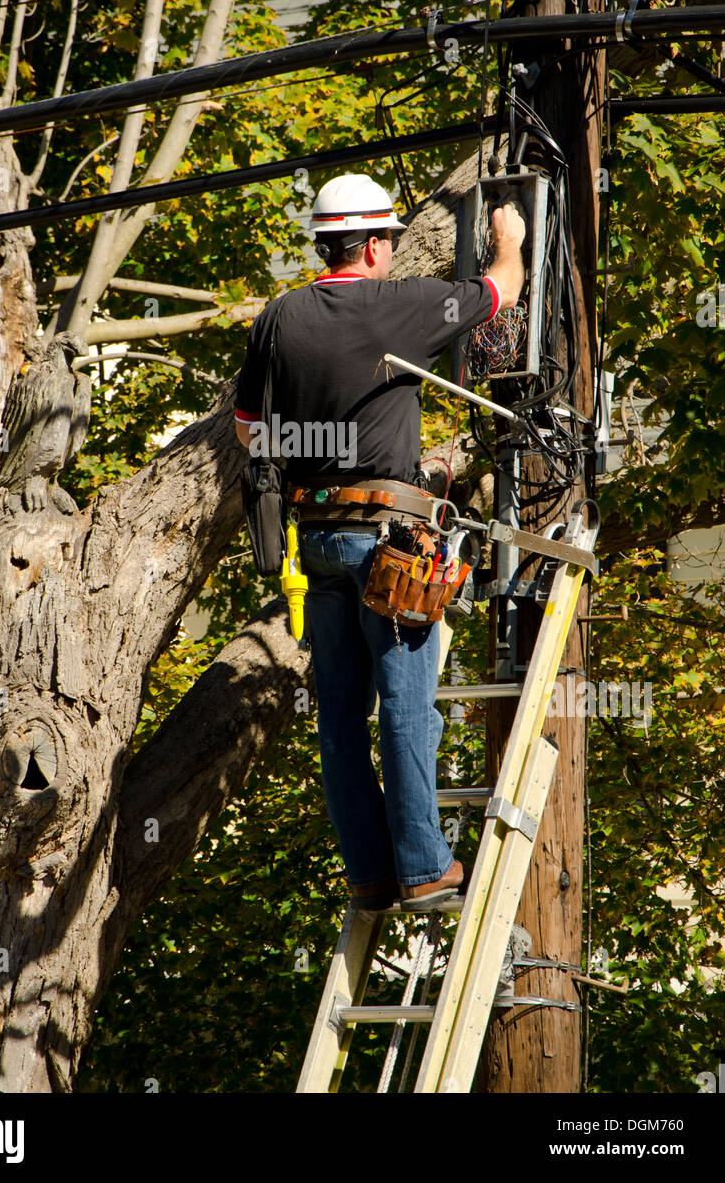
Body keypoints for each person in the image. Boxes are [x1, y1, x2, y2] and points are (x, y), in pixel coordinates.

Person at [234, 173, 525, 911]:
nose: (391, 254)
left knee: (338, 716)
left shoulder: (280, 316)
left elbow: (249, 431)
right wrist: (511, 238)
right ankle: (425, 867)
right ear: (369, 244)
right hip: (386, 547)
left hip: (317, 541)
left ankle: (368, 877)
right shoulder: (397, 307)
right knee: (405, 708)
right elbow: (500, 291)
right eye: (388, 242)